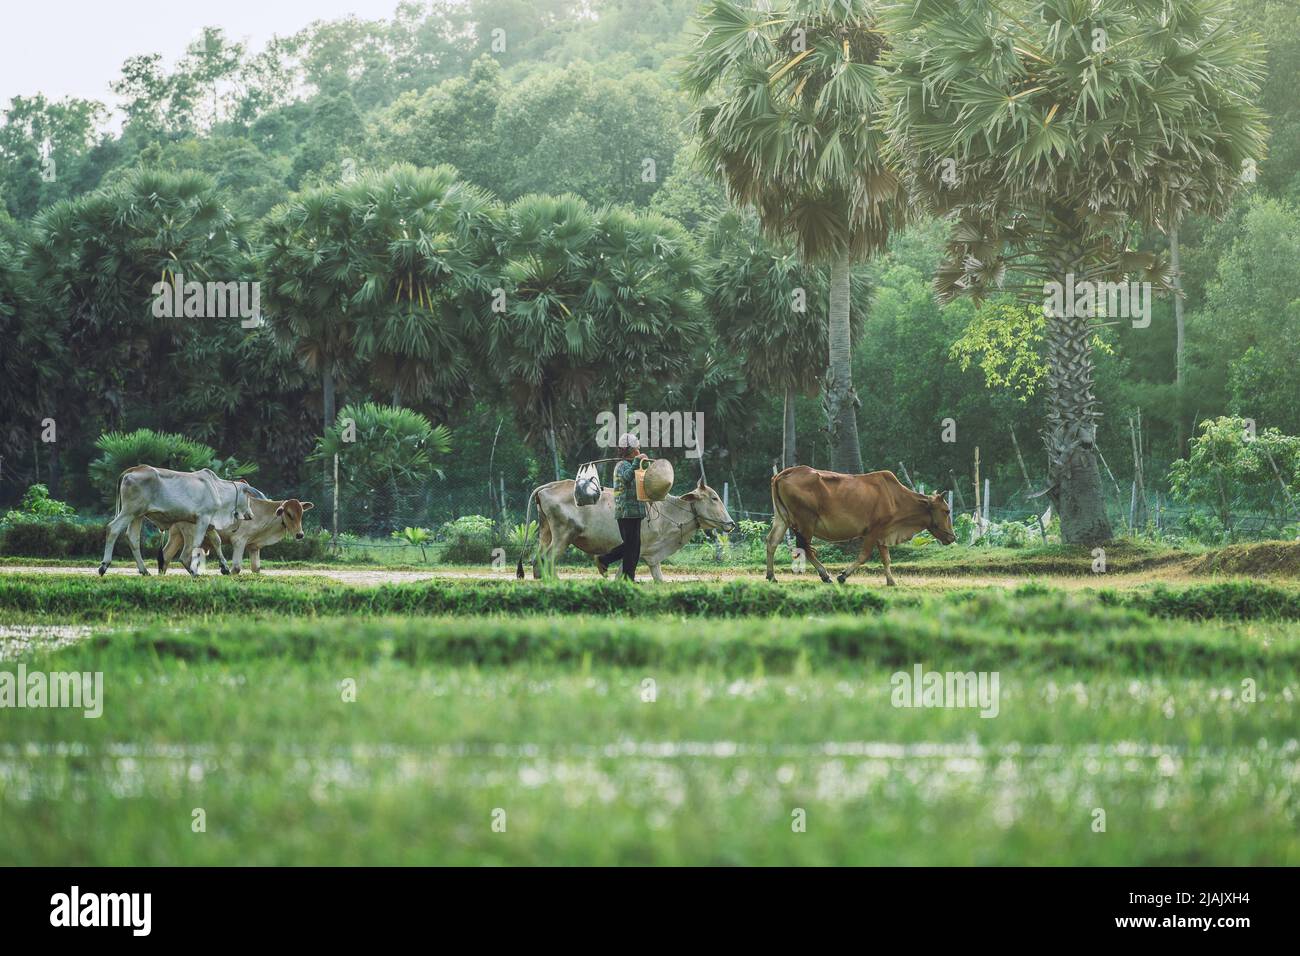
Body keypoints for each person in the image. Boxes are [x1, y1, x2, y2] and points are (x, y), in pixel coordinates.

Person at [597, 433, 648, 581]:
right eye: (637, 448)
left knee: (635, 548)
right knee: (631, 546)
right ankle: (604, 559)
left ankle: (628, 579)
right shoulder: (621, 466)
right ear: (631, 450)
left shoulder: (634, 465)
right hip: (626, 512)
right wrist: (636, 462)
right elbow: (626, 478)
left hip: (637, 511)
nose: (639, 450)